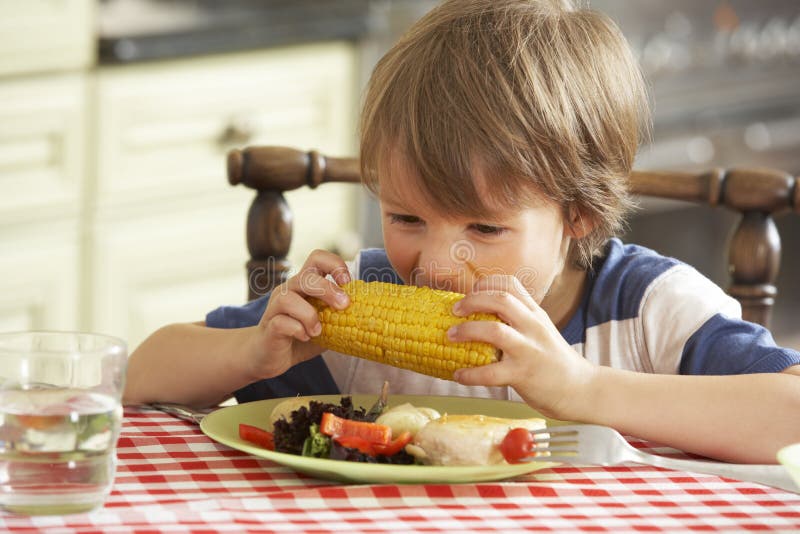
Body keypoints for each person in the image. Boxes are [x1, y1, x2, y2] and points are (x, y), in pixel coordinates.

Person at [124, 0, 800, 464]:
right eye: (407, 218)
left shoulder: (649, 309)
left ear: (579, 214)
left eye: (485, 226)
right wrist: (251, 352)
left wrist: (585, 390)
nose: (440, 265)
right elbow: (139, 376)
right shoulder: (363, 292)